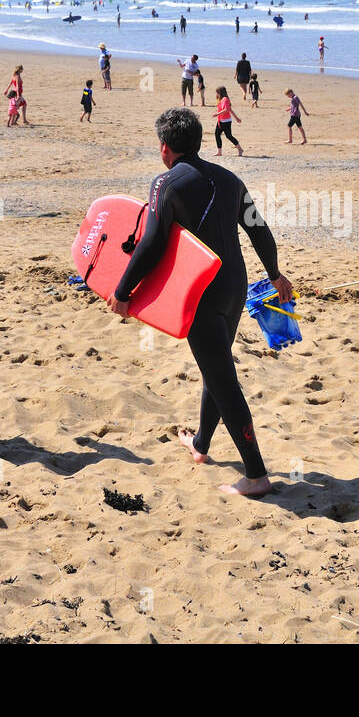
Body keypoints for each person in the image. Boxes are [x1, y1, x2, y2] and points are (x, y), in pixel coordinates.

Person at [107, 108, 290, 497]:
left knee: (223, 380)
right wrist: (274, 274)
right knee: (216, 366)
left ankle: (256, 475)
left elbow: (151, 242)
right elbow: (259, 230)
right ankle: (201, 445)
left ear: (164, 147)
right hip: (234, 286)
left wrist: (123, 292)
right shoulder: (231, 179)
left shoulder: (166, 183)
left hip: (201, 291)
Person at [214, 86, 243, 156]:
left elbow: (227, 109)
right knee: (217, 134)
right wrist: (237, 118)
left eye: (217, 93)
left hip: (226, 121)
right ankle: (219, 151)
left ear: (220, 93)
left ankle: (240, 149)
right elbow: (230, 110)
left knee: (229, 136)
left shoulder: (225, 99)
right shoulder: (222, 99)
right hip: (221, 120)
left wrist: (217, 114)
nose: (216, 94)